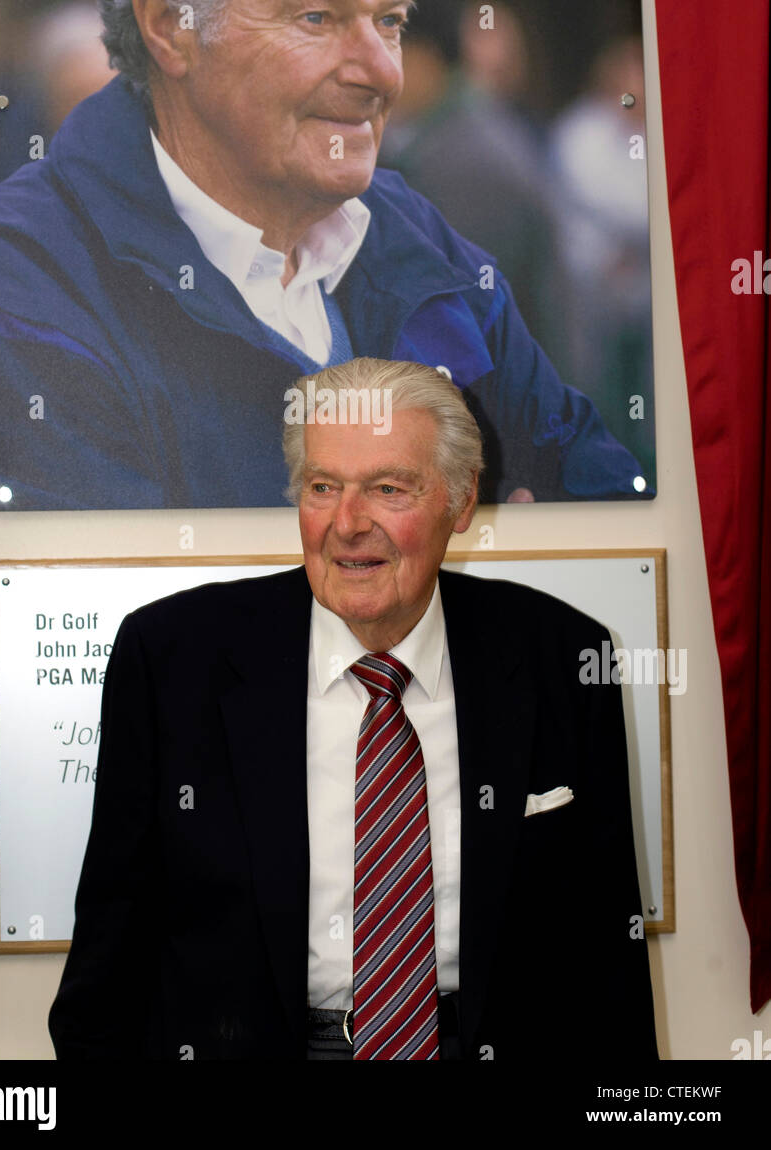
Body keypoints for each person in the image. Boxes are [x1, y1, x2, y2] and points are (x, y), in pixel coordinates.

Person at [0, 0, 652, 510]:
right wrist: (467, 555)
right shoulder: (21, 275)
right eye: (316, 18)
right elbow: (105, 581)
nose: (381, 72)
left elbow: (605, 507)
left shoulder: (415, 238)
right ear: (170, 27)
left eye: (389, 21)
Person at [48, 357, 658, 1061]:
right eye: (323, 487)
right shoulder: (171, 659)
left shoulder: (564, 657)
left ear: (462, 501)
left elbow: (609, 964)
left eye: (387, 489)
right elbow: (107, 967)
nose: (347, 523)